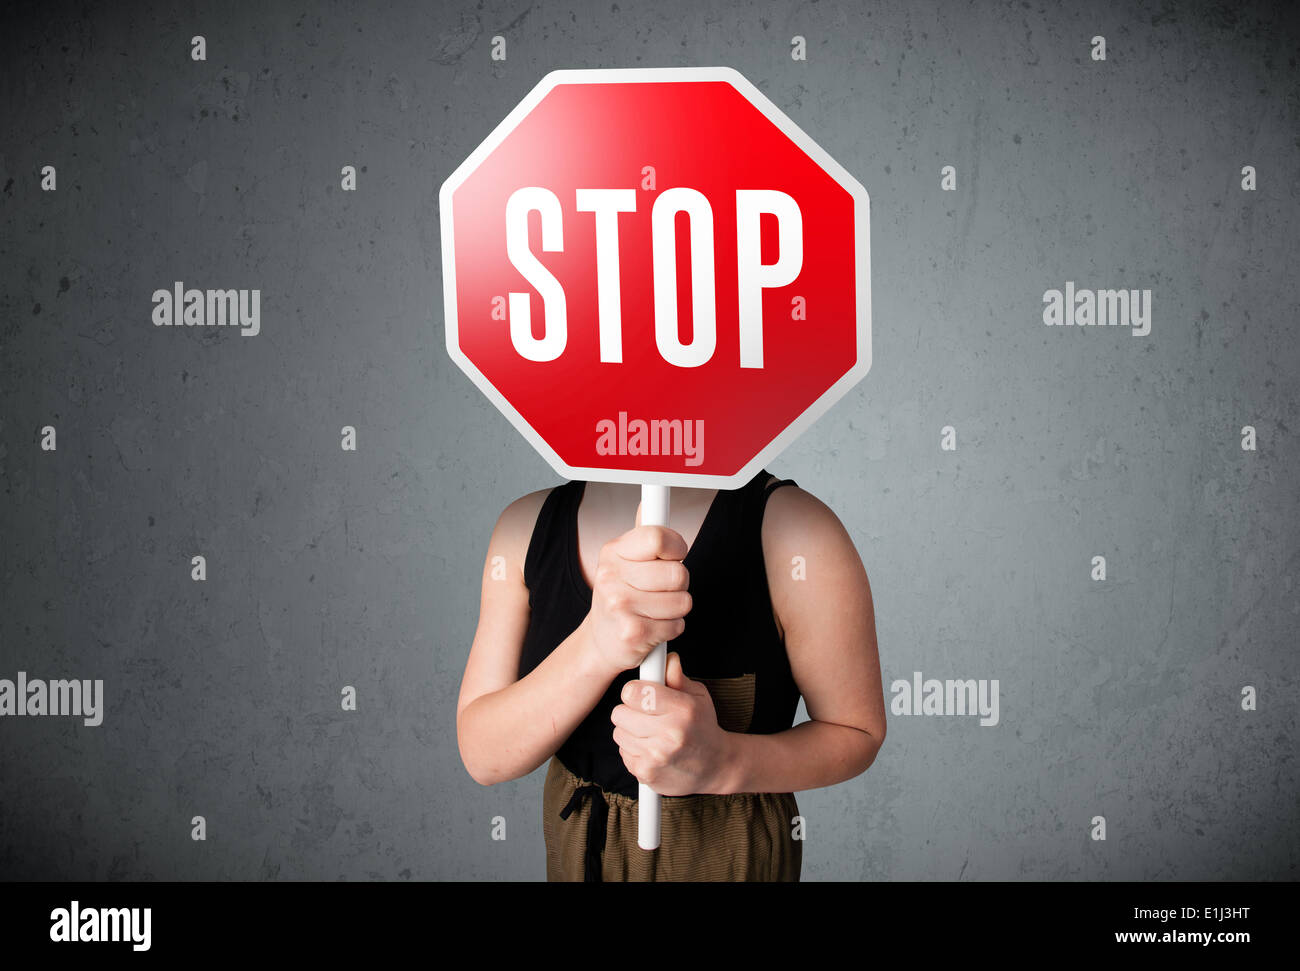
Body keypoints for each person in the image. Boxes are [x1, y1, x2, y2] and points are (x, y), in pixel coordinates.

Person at [456, 468, 885, 881]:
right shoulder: (522, 528)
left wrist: (724, 763)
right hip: (577, 855)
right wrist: (596, 646)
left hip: (729, 857)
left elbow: (857, 731)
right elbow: (484, 756)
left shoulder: (798, 531)